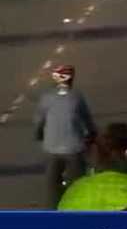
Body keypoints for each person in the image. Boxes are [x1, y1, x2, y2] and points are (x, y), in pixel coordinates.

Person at [35, 64, 96, 208]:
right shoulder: (76, 97)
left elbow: (39, 121)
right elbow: (87, 120)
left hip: (51, 149)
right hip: (74, 148)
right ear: (71, 79)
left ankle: (52, 213)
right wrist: (92, 134)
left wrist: (39, 135)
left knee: (51, 187)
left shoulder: (46, 98)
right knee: (77, 186)